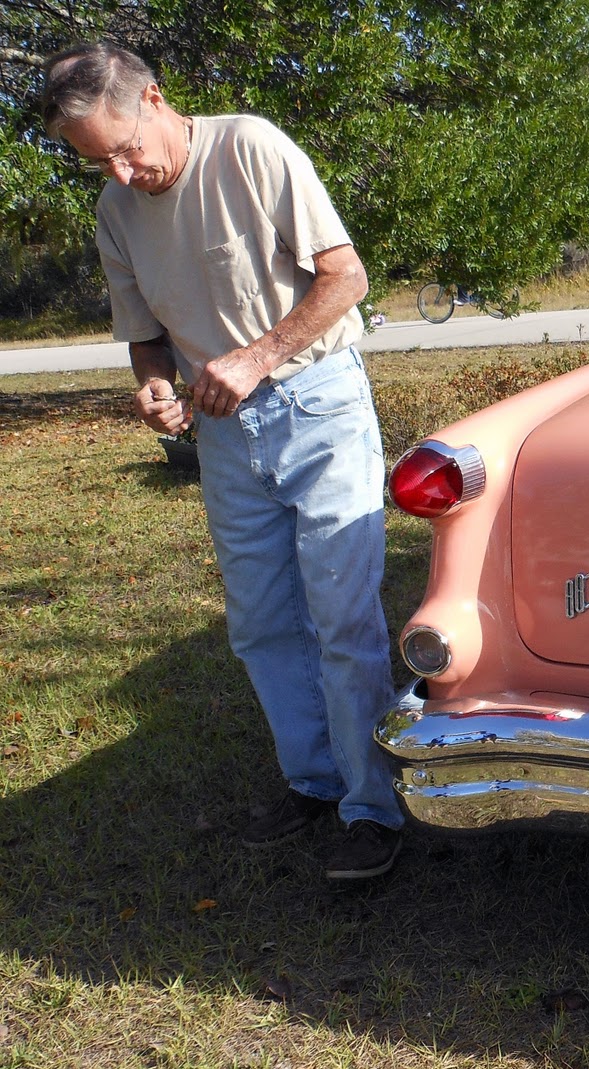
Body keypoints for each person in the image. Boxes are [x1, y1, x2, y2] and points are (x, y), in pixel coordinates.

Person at [40, 42, 404, 880]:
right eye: (98, 162)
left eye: (125, 149)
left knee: (343, 618)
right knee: (264, 622)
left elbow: (344, 279)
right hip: (224, 434)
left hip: (317, 404)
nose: (122, 175)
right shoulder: (114, 211)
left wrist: (256, 357)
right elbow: (145, 337)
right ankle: (312, 782)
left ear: (156, 99)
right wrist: (155, 388)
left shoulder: (251, 146)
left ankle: (372, 808)